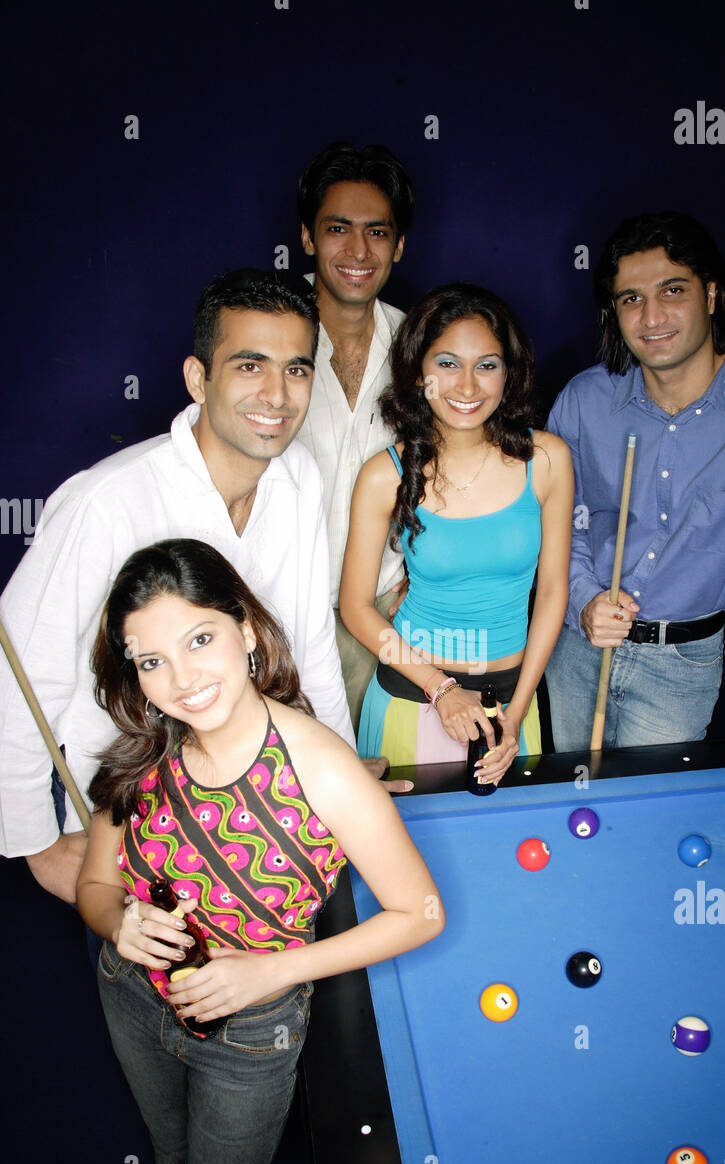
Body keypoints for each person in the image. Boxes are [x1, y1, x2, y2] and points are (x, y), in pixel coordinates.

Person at [76, 538, 442, 1164]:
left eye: (199, 639)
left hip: (251, 1030)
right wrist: (116, 922)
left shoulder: (321, 767)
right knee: (172, 1160)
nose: (181, 679)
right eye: (151, 662)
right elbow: (95, 884)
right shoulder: (143, 749)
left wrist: (269, 971)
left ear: (244, 629)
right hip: (133, 997)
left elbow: (421, 912)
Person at [0, 268, 353, 905]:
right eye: (251, 365)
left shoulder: (299, 474)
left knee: (259, 998)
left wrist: (341, 776)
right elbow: (19, 676)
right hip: (128, 821)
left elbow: (310, 645)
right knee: (157, 994)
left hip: (257, 809)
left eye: (297, 369)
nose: (277, 394)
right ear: (199, 378)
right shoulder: (104, 501)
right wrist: (37, 844)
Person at [544, 210, 725, 761]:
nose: (651, 316)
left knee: (645, 815)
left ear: (710, 295)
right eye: (631, 299)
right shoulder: (584, 402)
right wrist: (584, 599)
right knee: (572, 809)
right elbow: (559, 524)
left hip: (682, 666)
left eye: (672, 290)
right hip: (577, 648)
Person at [339, 283, 573, 780]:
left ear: (508, 375)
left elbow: (552, 592)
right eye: (447, 363)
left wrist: (518, 711)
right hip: (412, 696)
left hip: (511, 700)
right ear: (418, 372)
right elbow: (356, 608)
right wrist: (440, 688)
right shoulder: (383, 474)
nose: (467, 387)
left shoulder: (548, 459)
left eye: (486, 365)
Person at [296, 141, 414, 727]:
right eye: (338, 228)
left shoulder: (423, 348)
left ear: (398, 244)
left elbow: (458, 467)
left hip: (383, 616)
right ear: (308, 238)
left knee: (377, 791)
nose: (358, 250)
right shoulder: (266, 341)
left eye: (377, 231)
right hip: (276, 617)